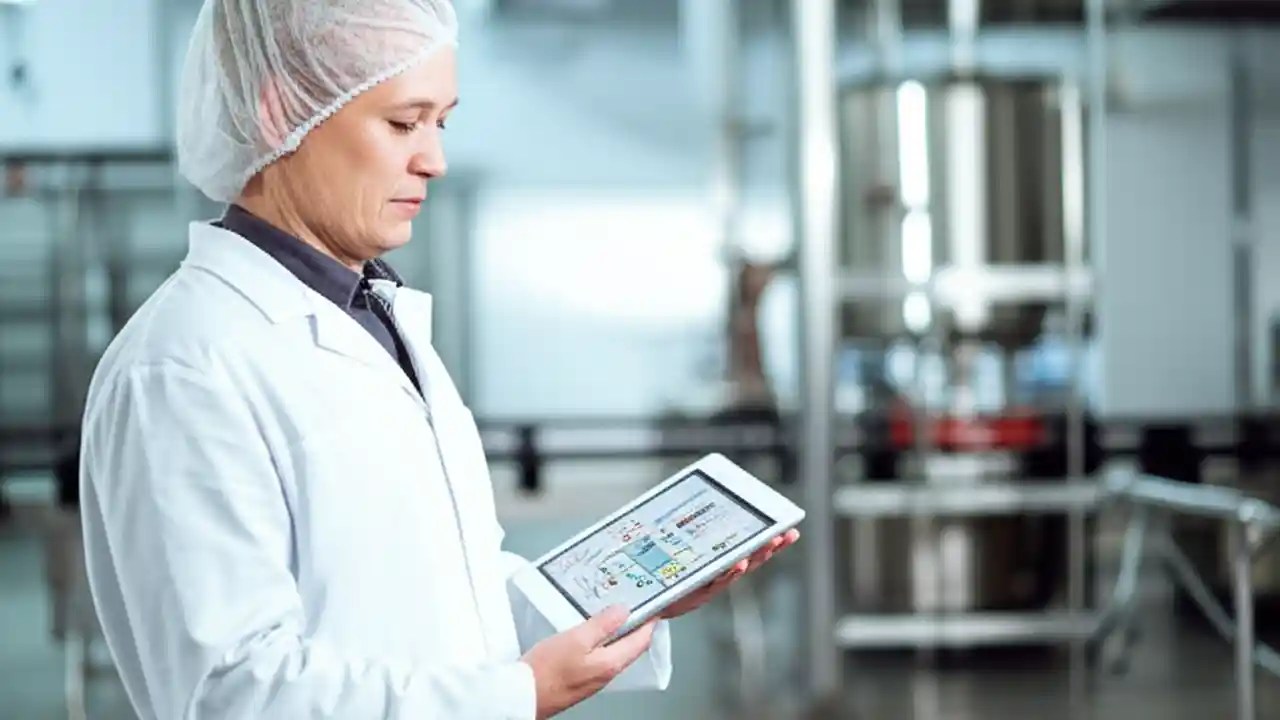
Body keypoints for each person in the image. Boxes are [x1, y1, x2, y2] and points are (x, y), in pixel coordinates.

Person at [77, 1, 799, 718]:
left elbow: (453, 601)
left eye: (441, 121)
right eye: (402, 122)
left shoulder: (375, 317)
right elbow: (236, 694)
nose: (435, 158)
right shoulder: (183, 367)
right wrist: (520, 695)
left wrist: (626, 604)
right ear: (278, 113)